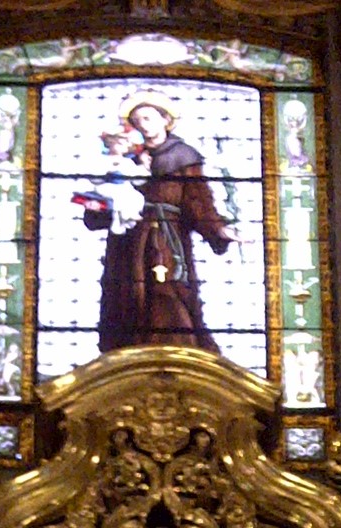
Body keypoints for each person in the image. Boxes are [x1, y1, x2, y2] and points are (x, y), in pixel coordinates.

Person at [79, 90, 236, 353]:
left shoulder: (183, 155)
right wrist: (99, 208)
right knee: (126, 299)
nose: (143, 125)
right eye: (137, 121)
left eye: (148, 118)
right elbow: (104, 197)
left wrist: (219, 230)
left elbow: (198, 201)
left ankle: (180, 356)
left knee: (170, 295)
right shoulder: (124, 159)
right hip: (127, 243)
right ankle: (126, 361)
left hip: (167, 242)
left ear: (165, 119)